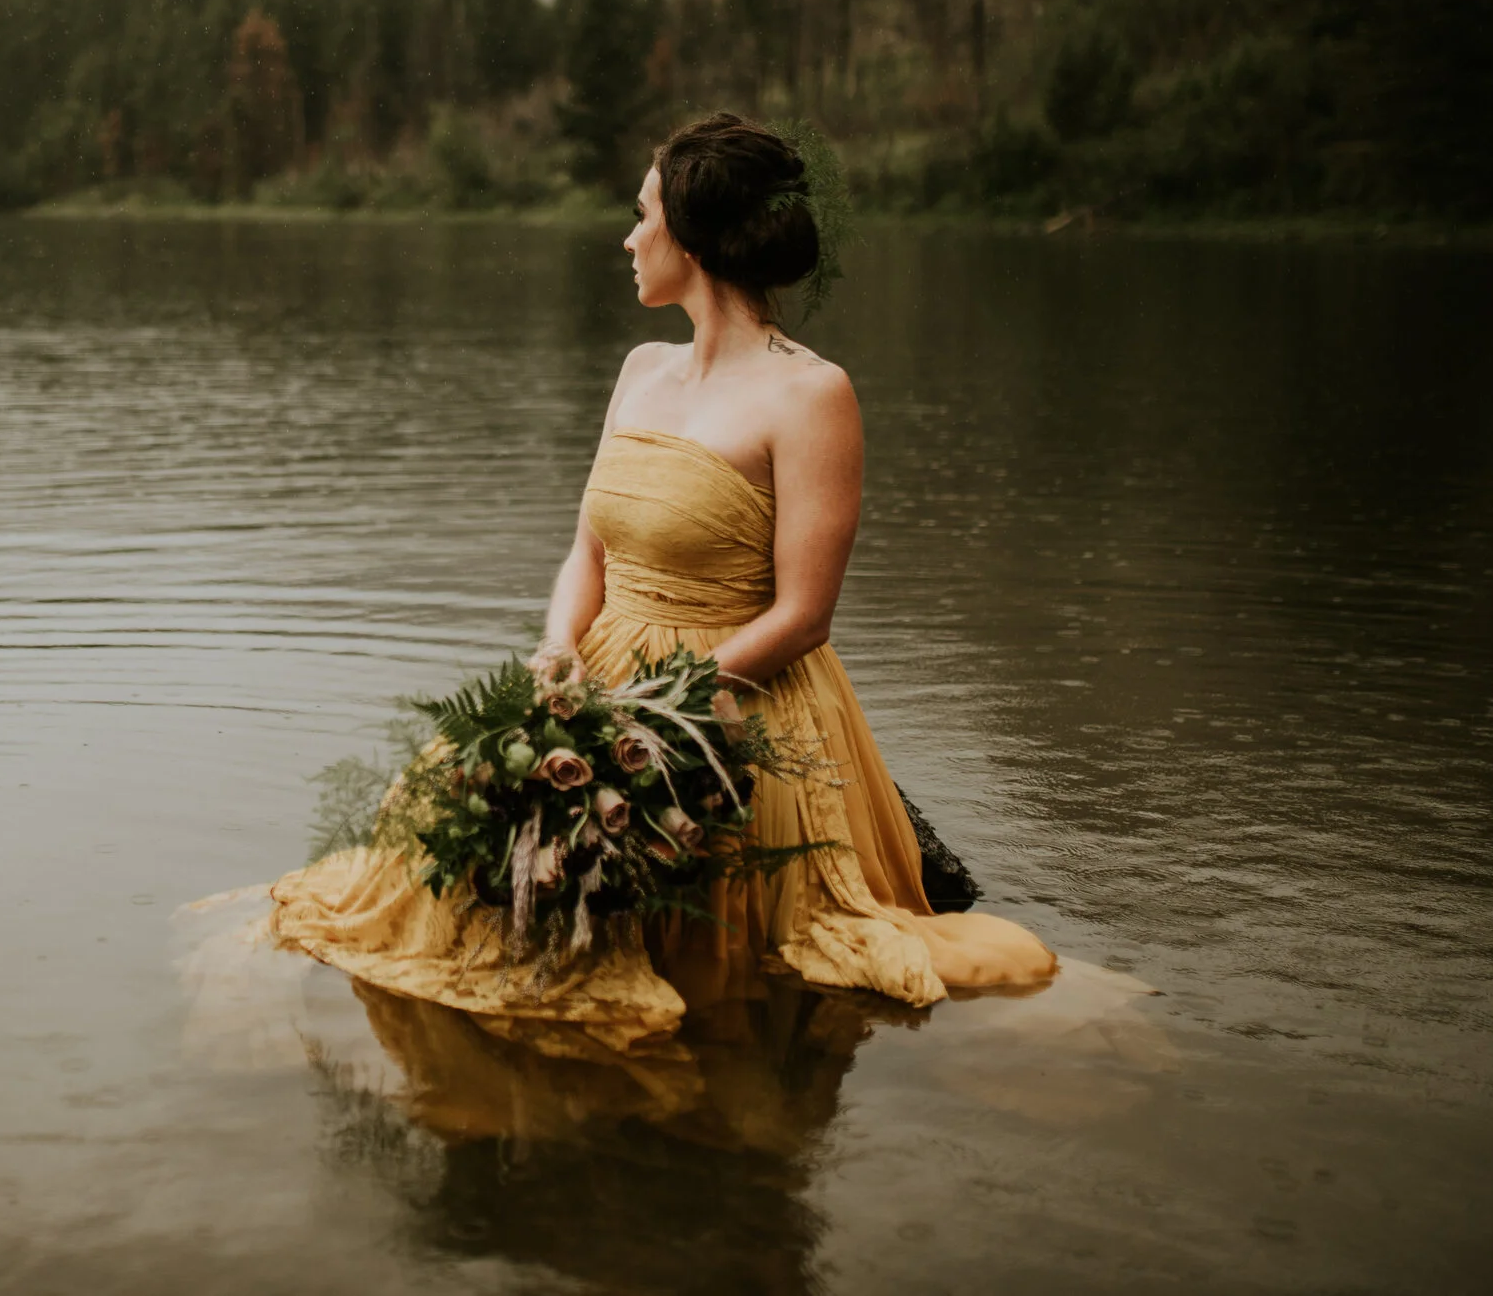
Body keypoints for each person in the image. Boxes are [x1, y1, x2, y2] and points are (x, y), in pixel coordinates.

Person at [268, 113, 1057, 1045]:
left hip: (732, 694)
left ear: (692, 234)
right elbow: (588, 552)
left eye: (643, 215)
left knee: (723, 952)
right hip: (600, 672)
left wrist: (656, 713)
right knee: (450, 871)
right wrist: (558, 651)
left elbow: (805, 614)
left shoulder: (813, 394)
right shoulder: (642, 368)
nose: (629, 237)